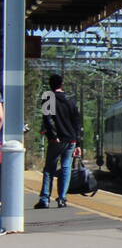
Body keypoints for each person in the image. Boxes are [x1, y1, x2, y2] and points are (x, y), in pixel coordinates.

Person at [34, 74, 82, 210]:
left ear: (50, 84)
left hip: (57, 139)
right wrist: (78, 143)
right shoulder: (71, 100)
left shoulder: (47, 97)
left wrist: (53, 135)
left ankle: (45, 199)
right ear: (62, 84)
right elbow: (77, 123)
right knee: (66, 168)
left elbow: (47, 119)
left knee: (49, 169)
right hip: (71, 139)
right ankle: (62, 199)